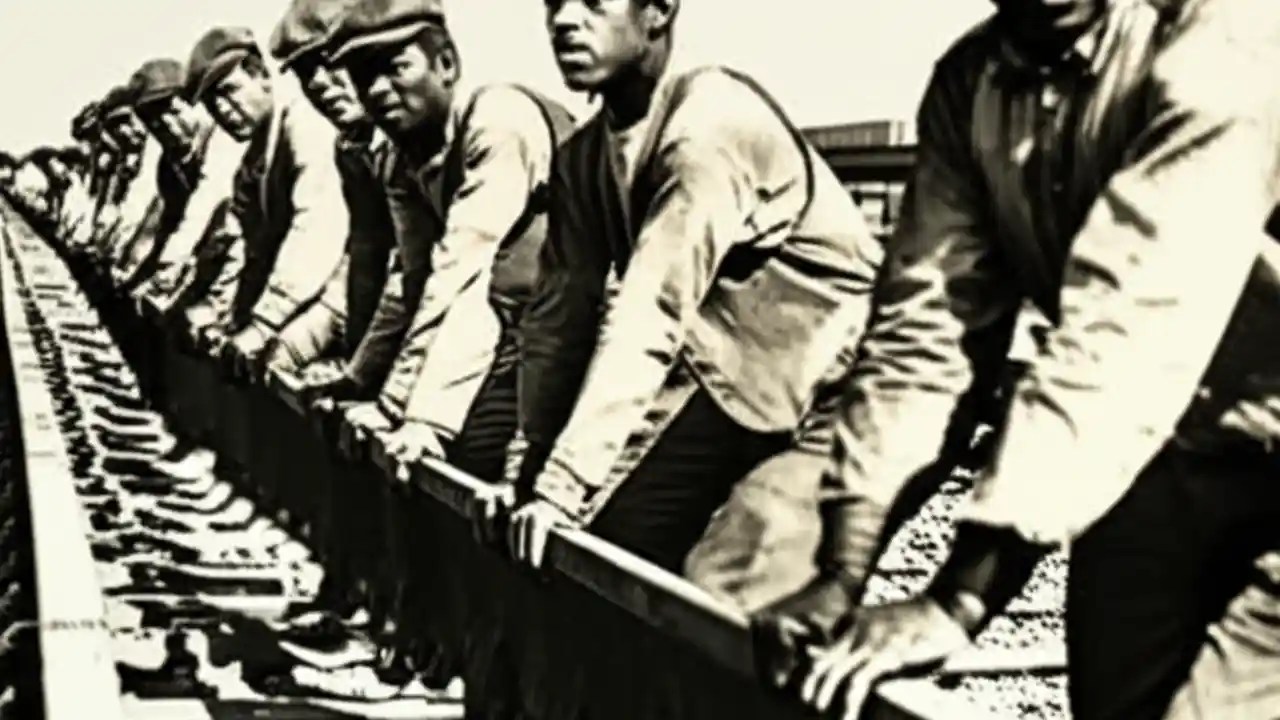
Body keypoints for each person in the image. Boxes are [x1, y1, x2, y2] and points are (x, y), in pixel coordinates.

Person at [764, 1, 1280, 719]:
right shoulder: (971, 84)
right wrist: (844, 568)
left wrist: (961, 597)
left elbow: (1133, 316)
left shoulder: (1227, 36)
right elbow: (926, 334)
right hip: (1153, 456)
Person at [506, 0, 882, 588]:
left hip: (850, 384)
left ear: (657, 11)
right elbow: (559, 319)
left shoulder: (709, 129)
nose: (562, 20)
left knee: (728, 584)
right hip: (744, 388)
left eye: (592, 2)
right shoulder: (583, 159)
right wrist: (532, 466)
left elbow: (650, 311)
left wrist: (562, 484)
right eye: (553, 2)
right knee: (615, 550)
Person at [322, 0, 576, 488]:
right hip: (514, 335)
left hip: (591, 332)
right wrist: (361, 379)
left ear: (447, 64)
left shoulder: (498, 121)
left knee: (499, 472)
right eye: (362, 77)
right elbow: (413, 282)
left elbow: (462, 270)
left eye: (396, 68)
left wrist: (407, 410)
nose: (377, 91)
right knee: (461, 457)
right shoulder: (401, 161)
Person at [181, 26, 348, 377]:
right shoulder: (252, 163)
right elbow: (243, 248)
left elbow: (316, 231)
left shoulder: (304, 125)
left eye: (229, 92)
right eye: (212, 105)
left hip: (347, 299)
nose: (223, 111)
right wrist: (222, 314)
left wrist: (262, 324)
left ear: (261, 75)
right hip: (312, 301)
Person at [265, 0, 405, 408]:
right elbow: (360, 258)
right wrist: (296, 342)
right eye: (307, 74)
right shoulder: (352, 149)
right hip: (389, 343)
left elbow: (419, 275)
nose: (320, 85)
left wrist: (369, 376)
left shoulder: (410, 139)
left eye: (330, 63)